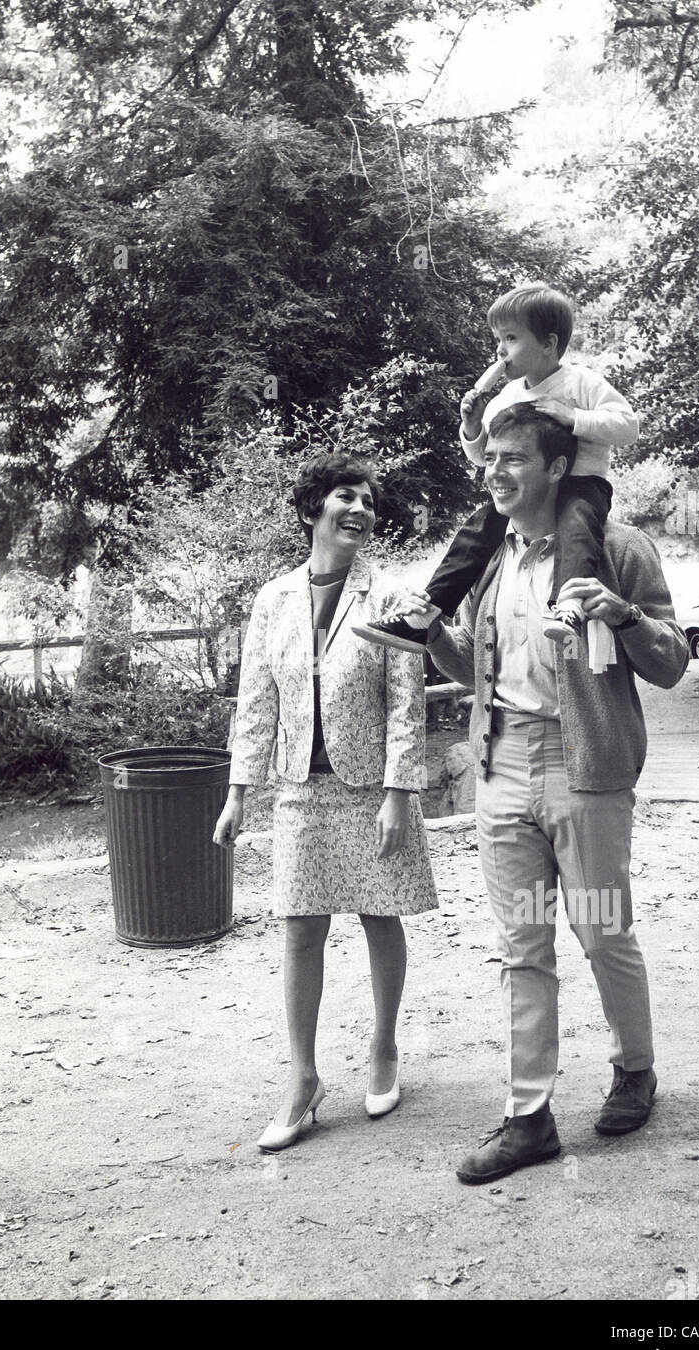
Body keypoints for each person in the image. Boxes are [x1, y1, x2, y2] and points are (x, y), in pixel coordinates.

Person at [411, 402, 688, 1183]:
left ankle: (635, 1068)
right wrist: (425, 626)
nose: (495, 473)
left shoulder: (616, 547)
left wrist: (624, 614)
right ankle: (528, 1118)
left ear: (559, 467)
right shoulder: (487, 559)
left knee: (599, 930)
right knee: (522, 947)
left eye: (513, 459)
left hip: (585, 765)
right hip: (502, 769)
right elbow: (474, 672)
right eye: (489, 459)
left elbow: (669, 664)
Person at [213, 452, 437, 1150]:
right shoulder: (272, 599)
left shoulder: (393, 597)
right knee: (300, 930)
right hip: (299, 791)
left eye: (369, 501)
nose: (361, 510)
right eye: (347, 496)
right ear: (314, 508)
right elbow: (256, 701)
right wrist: (236, 793)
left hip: (372, 787)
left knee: (379, 917)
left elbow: (408, 706)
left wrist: (399, 794)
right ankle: (304, 1079)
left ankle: (383, 1051)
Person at [355, 282, 638, 652]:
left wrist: (575, 418)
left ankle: (568, 605)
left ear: (549, 344)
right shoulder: (507, 397)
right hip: (526, 497)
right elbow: (483, 455)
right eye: (497, 340)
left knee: (579, 527)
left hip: (581, 484)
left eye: (511, 338)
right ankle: (425, 614)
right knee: (475, 532)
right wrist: (472, 428)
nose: (500, 350)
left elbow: (627, 427)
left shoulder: (582, 383)